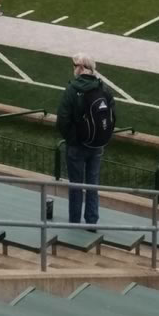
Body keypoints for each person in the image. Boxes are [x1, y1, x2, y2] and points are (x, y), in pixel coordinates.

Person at [56, 54, 114, 225]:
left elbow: (62, 119)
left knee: (75, 186)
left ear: (81, 67)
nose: (73, 68)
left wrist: (72, 138)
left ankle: (74, 221)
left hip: (76, 146)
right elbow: (112, 115)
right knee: (92, 185)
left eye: (74, 65)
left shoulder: (72, 90)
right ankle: (91, 221)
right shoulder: (103, 88)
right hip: (97, 145)